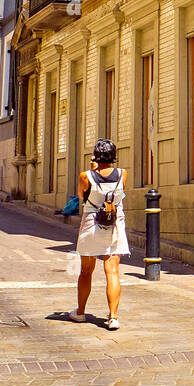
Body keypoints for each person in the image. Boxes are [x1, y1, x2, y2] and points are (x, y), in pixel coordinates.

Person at [68, 139, 128, 330]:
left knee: (86, 271)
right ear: (113, 156)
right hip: (114, 225)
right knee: (112, 271)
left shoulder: (86, 176)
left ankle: (80, 312)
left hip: (91, 223)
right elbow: (120, 193)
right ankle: (113, 317)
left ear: (95, 156)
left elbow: (81, 196)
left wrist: (93, 171)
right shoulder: (122, 174)